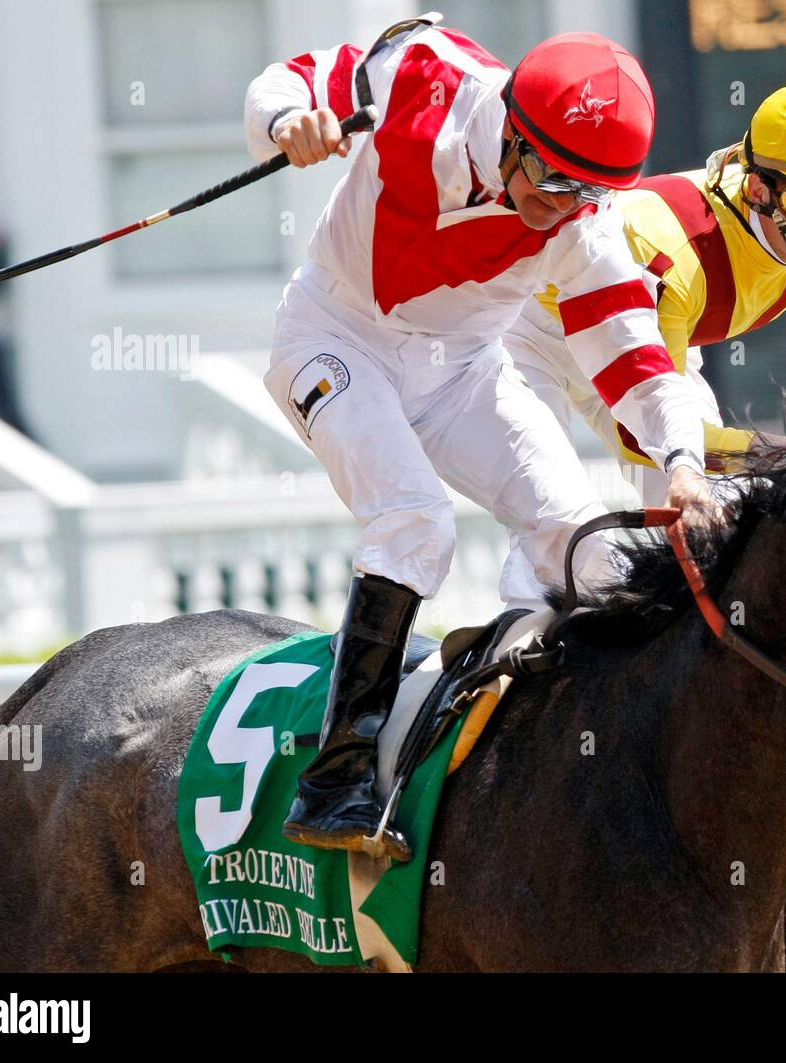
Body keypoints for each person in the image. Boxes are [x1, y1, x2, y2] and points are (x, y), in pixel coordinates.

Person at [244, 15, 713, 860]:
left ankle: (577, 764)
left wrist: (682, 460)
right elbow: (291, 80)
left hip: (461, 370)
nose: (559, 208)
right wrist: (288, 122)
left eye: (585, 194)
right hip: (331, 339)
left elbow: (636, 363)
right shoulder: (423, 74)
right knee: (416, 521)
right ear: (514, 129)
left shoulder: (584, 220)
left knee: (587, 542)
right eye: (552, 179)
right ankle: (336, 776)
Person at [506, 80, 786, 505]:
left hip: (655, 340)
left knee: (719, 514)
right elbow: (649, 432)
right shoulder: (668, 251)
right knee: (554, 514)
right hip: (533, 332)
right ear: (760, 191)